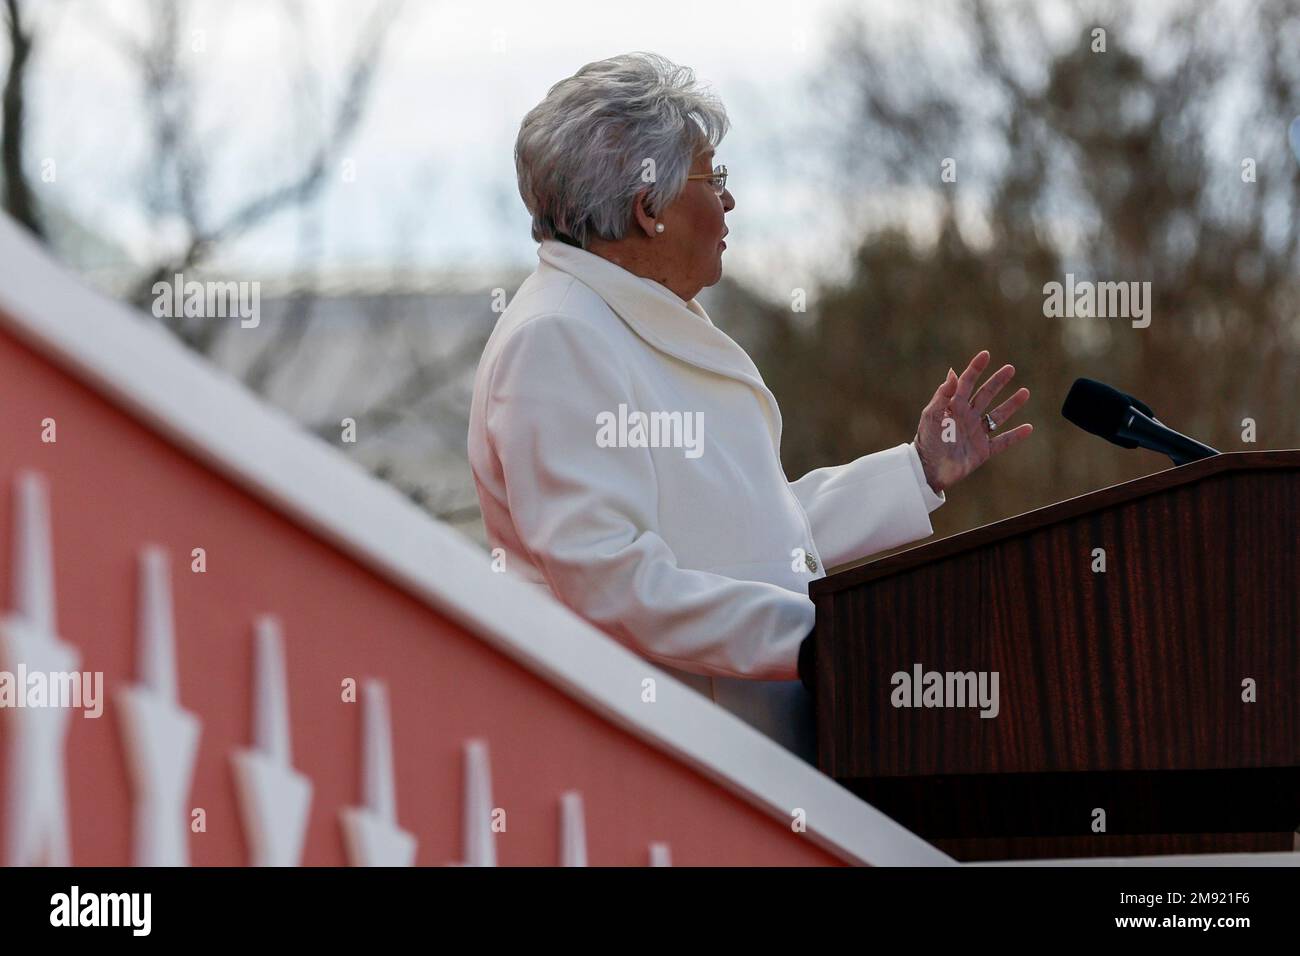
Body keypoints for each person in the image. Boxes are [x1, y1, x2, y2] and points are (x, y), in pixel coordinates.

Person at [467, 52, 1032, 762]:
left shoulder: (628, 317)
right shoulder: (558, 337)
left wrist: (917, 471)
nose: (729, 202)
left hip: (740, 751)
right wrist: (814, 638)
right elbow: (610, 580)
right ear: (649, 208)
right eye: (715, 178)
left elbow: (756, 540)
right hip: (667, 769)